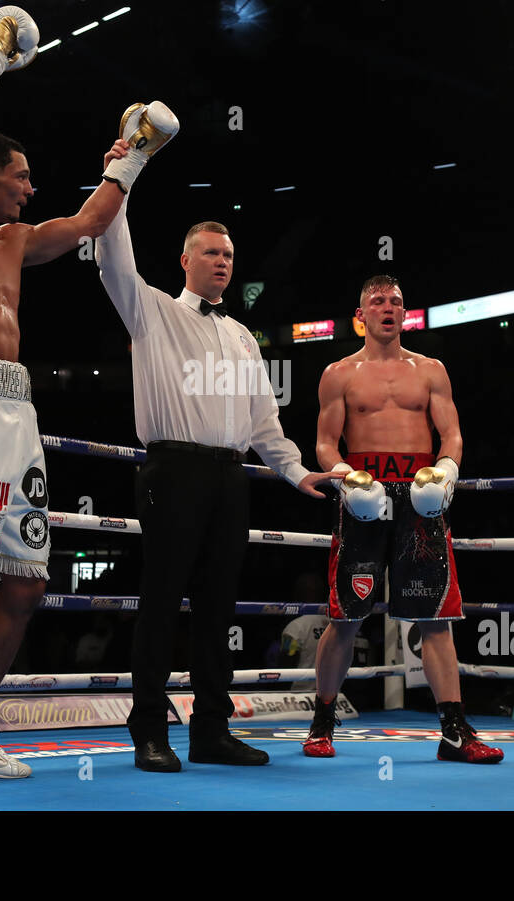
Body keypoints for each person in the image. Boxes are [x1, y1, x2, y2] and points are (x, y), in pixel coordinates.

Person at [0, 5, 173, 791]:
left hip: (16, 415)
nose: (32, 188)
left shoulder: (17, 241)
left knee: (25, 583)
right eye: (23, 177)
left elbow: (92, 218)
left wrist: (133, 154)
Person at [95, 202, 341, 772]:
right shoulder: (152, 311)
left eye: (228, 254)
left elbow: (263, 426)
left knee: (216, 609)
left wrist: (299, 472)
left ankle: (211, 729)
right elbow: (112, 262)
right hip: (173, 471)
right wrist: (123, 186)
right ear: (185, 260)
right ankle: (149, 731)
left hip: (231, 478)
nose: (222, 261)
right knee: (160, 604)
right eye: (210, 251)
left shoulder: (242, 338)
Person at [303, 275, 503, 764]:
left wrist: (448, 472)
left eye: (395, 301)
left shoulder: (431, 370)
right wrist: (347, 477)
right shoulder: (338, 373)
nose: (387, 308)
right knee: (346, 617)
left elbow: (451, 433)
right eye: (377, 301)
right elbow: (326, 443)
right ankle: (322, 720)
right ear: (362, 315)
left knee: (436, 619)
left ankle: (455, 732)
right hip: (363, 496)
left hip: (420, 495)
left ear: (404, 312)